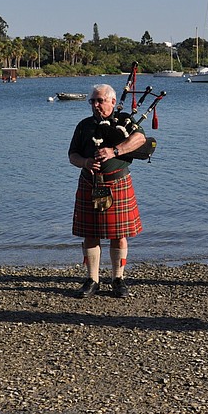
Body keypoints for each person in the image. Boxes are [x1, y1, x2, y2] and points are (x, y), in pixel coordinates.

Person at [68, 84, 146, 298]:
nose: (95, 105)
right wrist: (84, 162)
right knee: (90, 234)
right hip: (90, 183)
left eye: (99, 101)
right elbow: (72, 155)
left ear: (112, 102)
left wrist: (115, 150)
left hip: (117, 181)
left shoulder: (125, 122)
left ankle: (117, 279)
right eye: (92, 101)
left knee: (119, 235)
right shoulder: (84, 126)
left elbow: (140, 139)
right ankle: (92, 280)